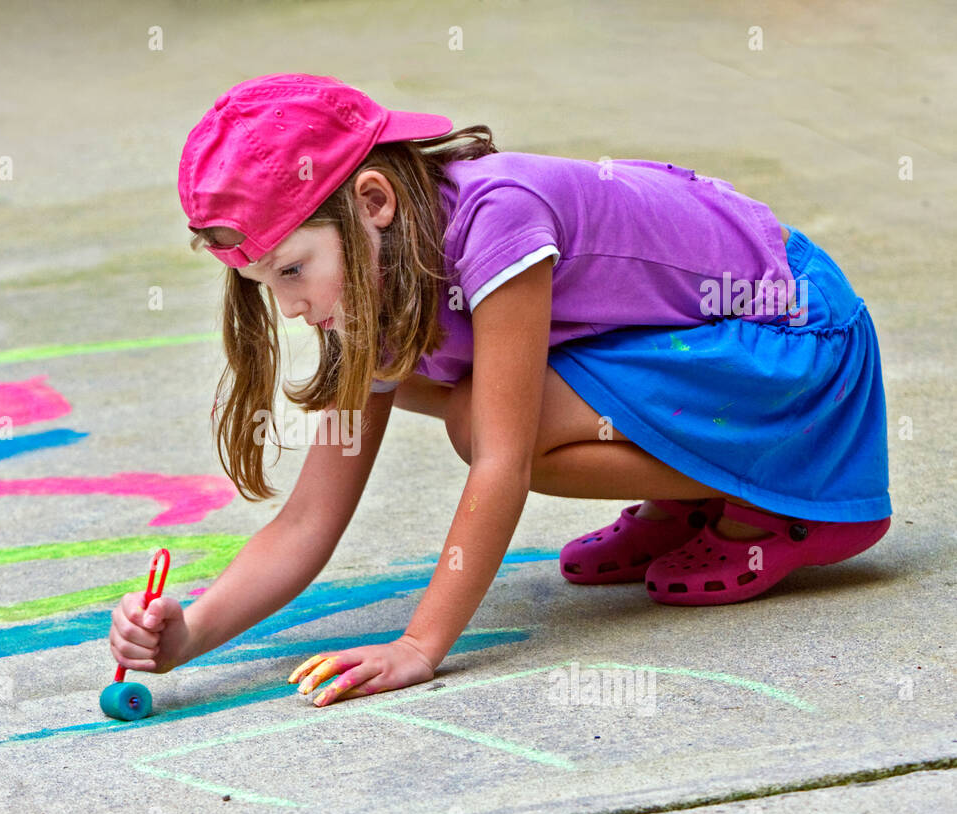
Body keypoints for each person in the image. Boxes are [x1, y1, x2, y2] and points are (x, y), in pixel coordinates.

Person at [108, 72, 892, 708]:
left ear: (374, 202)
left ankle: (784, 502)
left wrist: (420, 645)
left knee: (480, 425)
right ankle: (690, 497)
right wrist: (192, 633)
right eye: (260, 280)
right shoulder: (367, 277)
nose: (287, 305)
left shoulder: (498, 220)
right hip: (692, 352)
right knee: (470, 405)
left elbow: (504, 464)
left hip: (790, 345)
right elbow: (313, 513)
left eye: (290, 270)